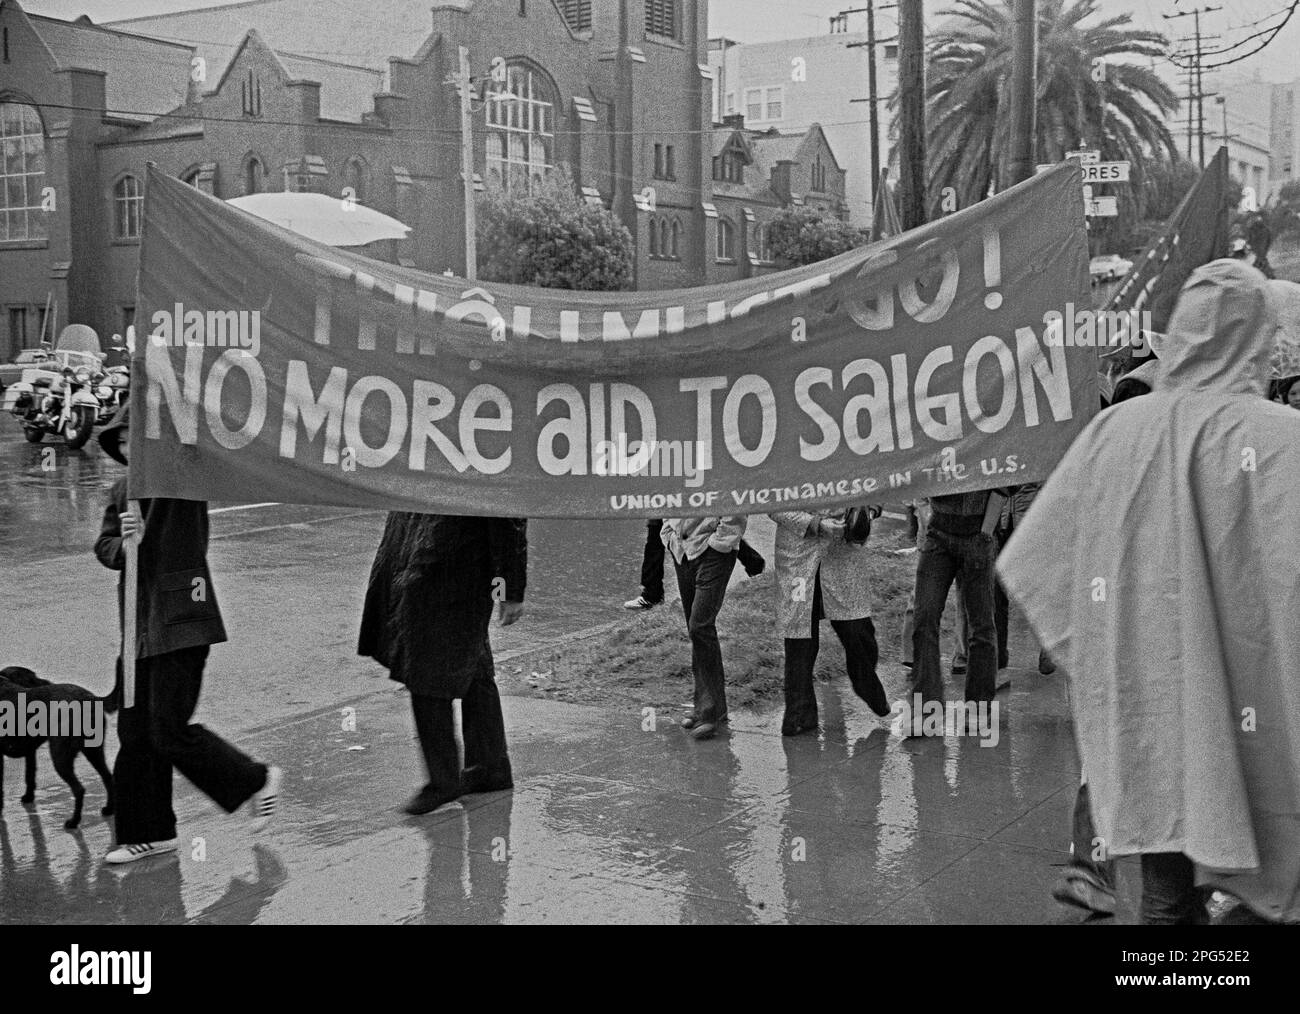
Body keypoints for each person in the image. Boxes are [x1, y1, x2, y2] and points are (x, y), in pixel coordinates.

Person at [1000, 259, 1300, 924]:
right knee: (1271, 894)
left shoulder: (1117, 430)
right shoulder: (1283, 439)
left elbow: (1041, 563)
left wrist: (1109, 660)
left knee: (1165, 899)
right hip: (1268, 725)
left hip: (1156, 720)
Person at [94, 405, 280, 865]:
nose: (125, 449)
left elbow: (197, 443)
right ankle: (148, 832)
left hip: (181, 623)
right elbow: (104, 546)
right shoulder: (122, 491)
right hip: (136, 631)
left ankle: (254, 780)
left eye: (132, 440)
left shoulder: (181, 481)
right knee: (136, 734)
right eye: (118, 443)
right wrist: (125, 543)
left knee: (168, 731)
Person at [359, 513, 527, 815]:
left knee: (426, 666)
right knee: (471, 659)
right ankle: (489, 766)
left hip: (450, 569)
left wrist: (507, 592)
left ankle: (444, 780)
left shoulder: (486, 467)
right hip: (424, 557)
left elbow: (508, 518)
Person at [770, 508, 890, 736]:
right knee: (799, 637)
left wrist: (866, 512)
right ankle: (799, 713)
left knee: (858, 630)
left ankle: (866, 683)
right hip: (798, 558)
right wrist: (815, 523)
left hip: (843, 556)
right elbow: (772, 502)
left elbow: (876, 484)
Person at [909, 489, 1003, 715]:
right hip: (938, 532)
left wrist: (985, 533)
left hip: (978, 532)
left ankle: (979, 706)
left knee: (981, 625)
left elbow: (1005, 482)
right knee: (924, 616)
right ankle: (926, 708)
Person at [662, 514, 748, 741]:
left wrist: (719, 542)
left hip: (713, 550)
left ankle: (708, 712)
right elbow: (665, 495)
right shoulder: (676, 474)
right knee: (697, 629)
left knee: (700, 625)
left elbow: (735, 503)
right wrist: (669, 534)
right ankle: (709, 707)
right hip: (681, 549)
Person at [624, 520, 765, 610]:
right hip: (666, 484)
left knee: (703, 528)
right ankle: (651, 593)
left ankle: (652, 594)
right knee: (657, 530)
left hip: (679, 482)